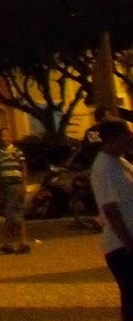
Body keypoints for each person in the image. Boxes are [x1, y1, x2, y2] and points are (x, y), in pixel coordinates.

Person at [91, 118, 133, 320]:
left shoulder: (121, 162)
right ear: (114, 137)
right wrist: (129, 243)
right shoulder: (103, 167)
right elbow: (110, 209)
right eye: (127, 135)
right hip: (120, 246)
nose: (130, 139)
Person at [0, 127, 30, 253]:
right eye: (2, 136)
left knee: (14, 214)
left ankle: (15, 242)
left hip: (15, 185)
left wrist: (24, 185)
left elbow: (23, 167)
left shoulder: (16, 151)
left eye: (6, 135)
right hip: (5, 186)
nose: (4, 138)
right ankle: (16, 242)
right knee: (11, 215)